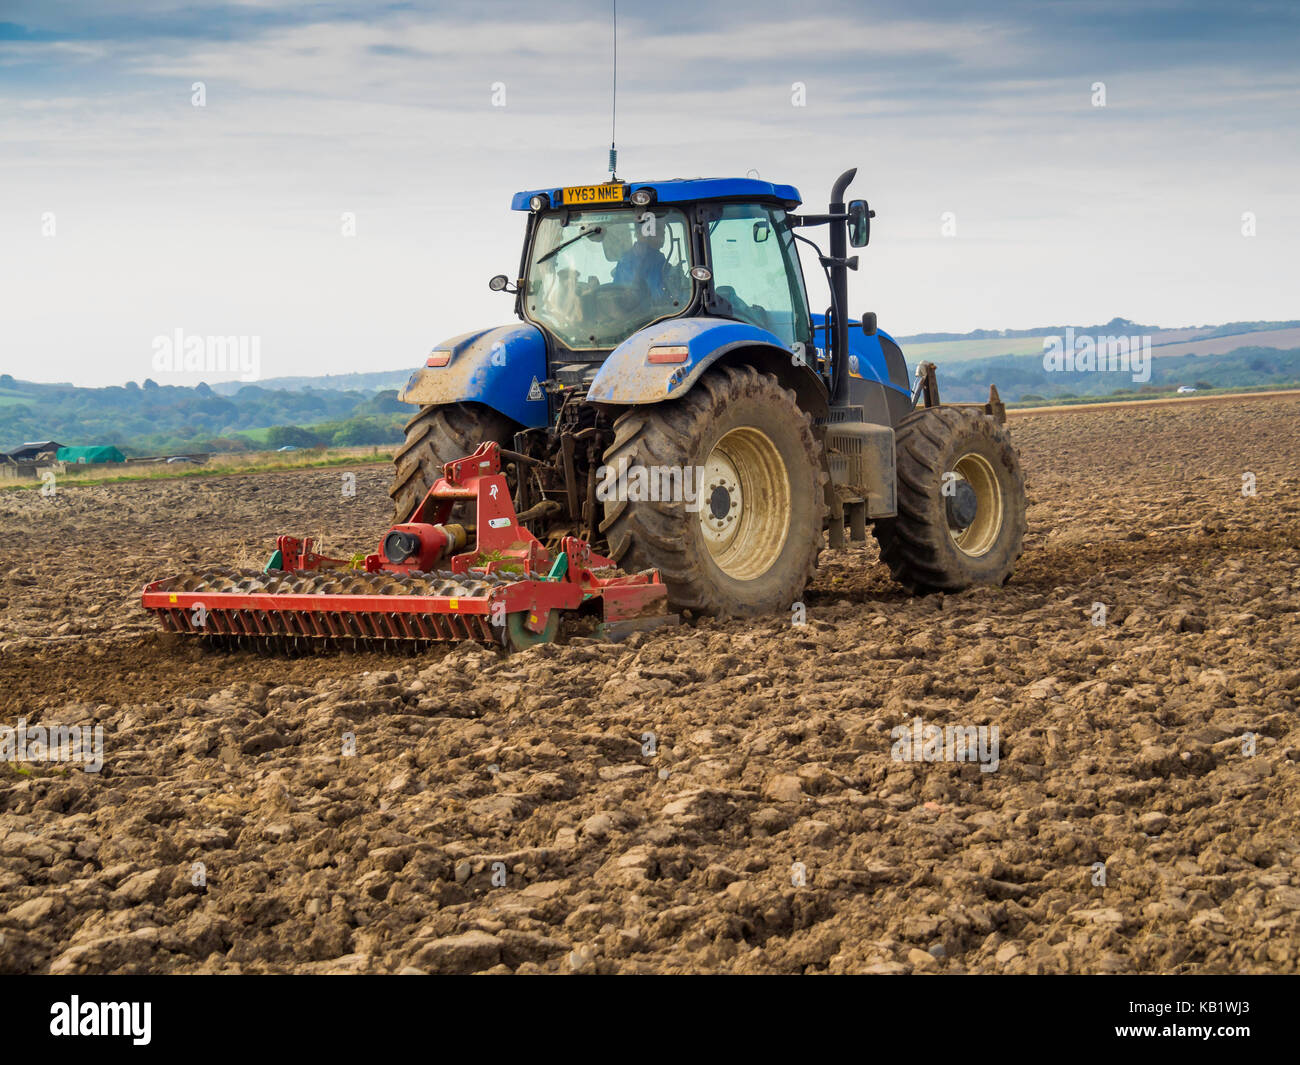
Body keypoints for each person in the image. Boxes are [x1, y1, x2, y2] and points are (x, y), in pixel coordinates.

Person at [612, 221, 672, 302]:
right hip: (633, 312)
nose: (663, 234)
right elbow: (618, 295)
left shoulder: (660, 261)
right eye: (657, 229)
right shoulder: (625, 263)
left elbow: (677, 292)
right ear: (640, 233)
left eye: (663, 230)